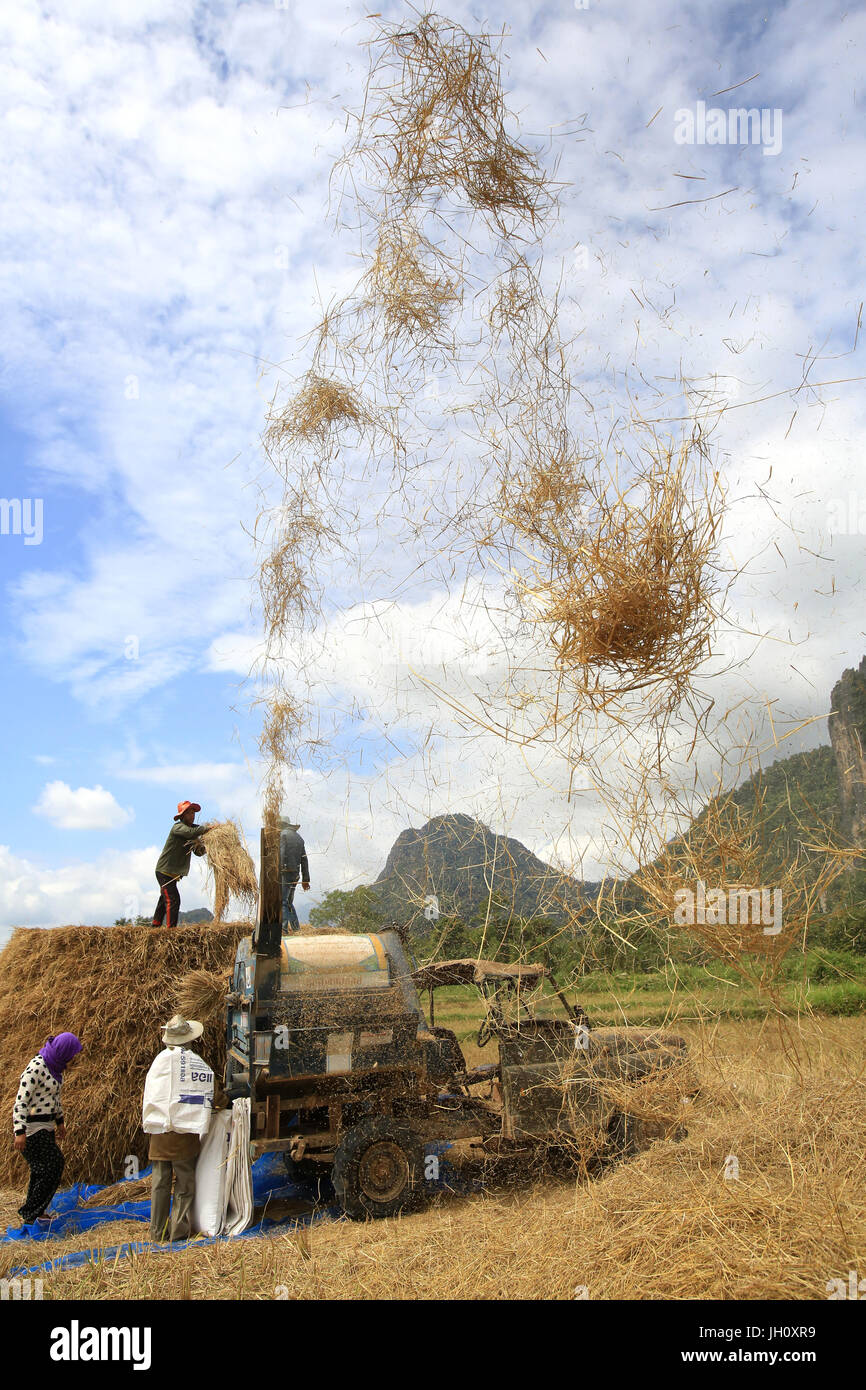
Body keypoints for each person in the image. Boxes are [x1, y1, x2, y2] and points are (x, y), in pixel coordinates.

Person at [142, 1014, 224, 1243]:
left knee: (160, 1183)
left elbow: (152, 1095)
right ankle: (178, 1232)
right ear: (188, 1040)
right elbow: (212, 1094)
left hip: (159, 1134)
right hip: (184, 1134)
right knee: (185, 1183)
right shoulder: (196, 1064)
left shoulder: (158, 1062)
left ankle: (157, 1233)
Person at [13, 1032, 83, 1227]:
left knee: (40, 1169)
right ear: (64, 1052)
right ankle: (30, 1211)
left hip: (46, 1127)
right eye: (72, 1055)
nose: (73, 1059)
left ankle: (36, 1212)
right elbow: (21, 1102)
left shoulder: (55, 1069)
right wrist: (19, 1132)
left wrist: (60, 1122)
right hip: (32, 1129)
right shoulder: (36, 1067)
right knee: (54, 1164)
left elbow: (54, 1099)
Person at [152, 801, 213, 928]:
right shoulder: (178, 828)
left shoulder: (192, 833)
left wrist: (211, 846)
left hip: (172, 874)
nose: (192, 815)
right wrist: (207, 829)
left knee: (164, 899)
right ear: (182, 816)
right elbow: (191, 832)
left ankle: (155, 927)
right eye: (189, 813)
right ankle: (171, 930)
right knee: (173, 899)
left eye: (193, 813)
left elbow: (198, 851)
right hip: (164, 871)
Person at [279, 818, 310, 933]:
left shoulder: (283, 835)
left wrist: (280, 869)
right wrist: (306, 879)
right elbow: (304, 860)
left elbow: (282, 853)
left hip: (286, 872)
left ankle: (283, 929)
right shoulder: (299, 839)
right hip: (296, 874)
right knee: (289, 902)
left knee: (282, 901)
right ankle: (297, 929)